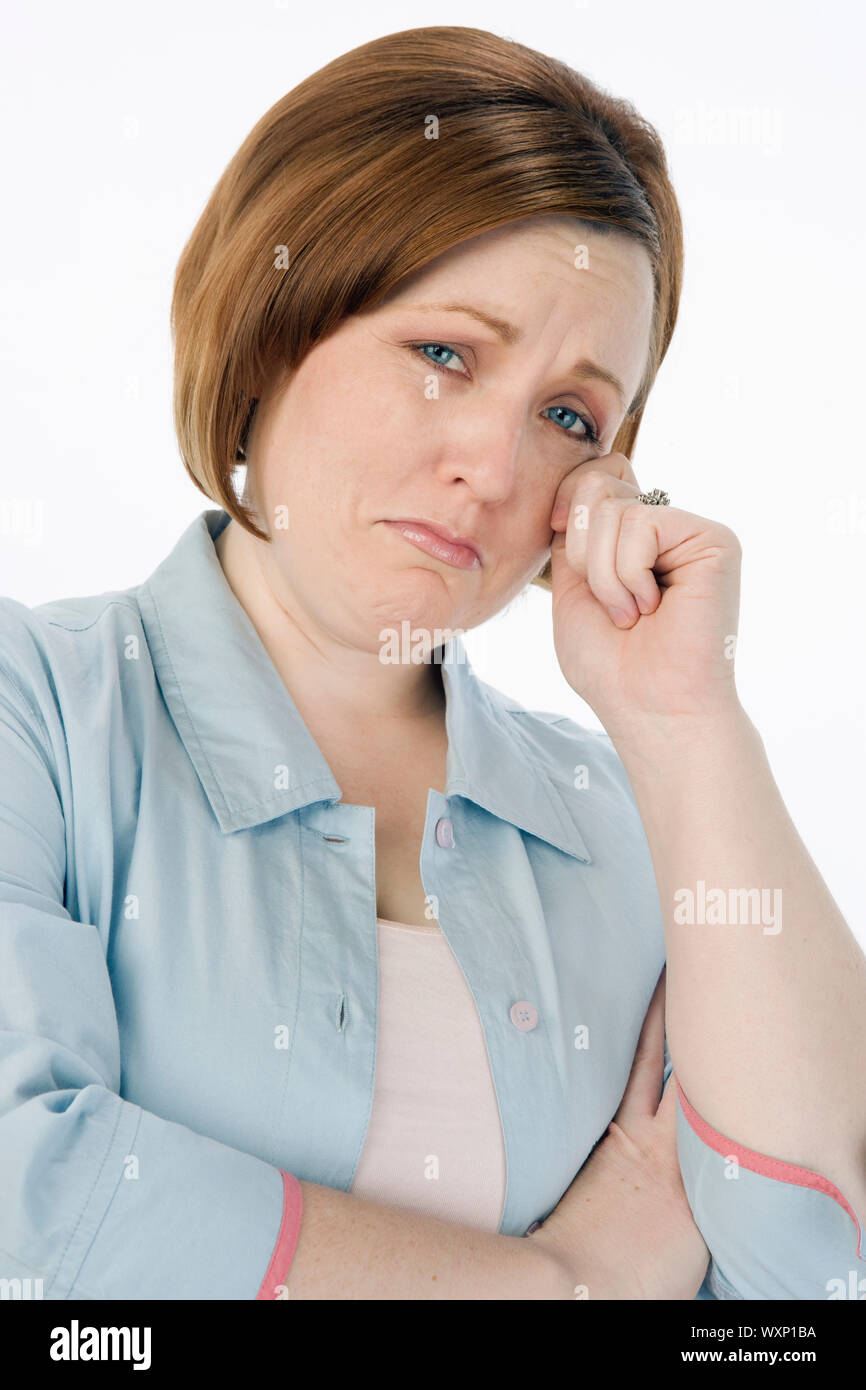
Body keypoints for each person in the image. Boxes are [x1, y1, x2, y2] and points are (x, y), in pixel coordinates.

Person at [1, 25, 863, 1302]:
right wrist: (561, 1283)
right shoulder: (41, 711)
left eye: (568, 416)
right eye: (443, 353)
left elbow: (796, 1258)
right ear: (272, 328)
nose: (496, 467)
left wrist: (682, 719)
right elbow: (34, 1203)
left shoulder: (622, 810)